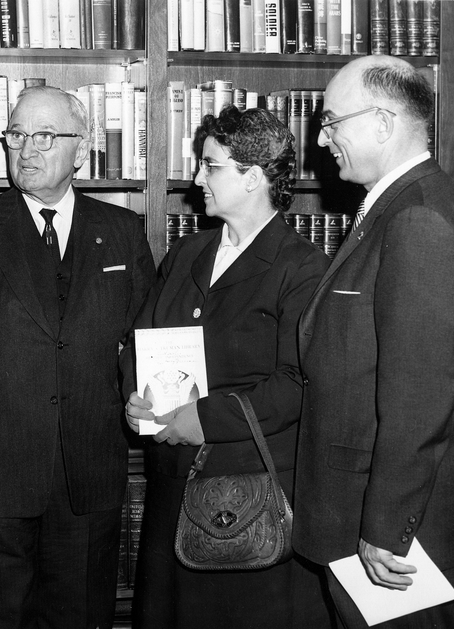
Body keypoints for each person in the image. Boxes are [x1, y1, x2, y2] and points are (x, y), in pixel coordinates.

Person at [0, 85, 156, 629]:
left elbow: (146, 339)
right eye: (16, 135)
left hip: (90, 474)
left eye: (43, 136)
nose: (26, 150)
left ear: (81, 149)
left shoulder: (122, 231)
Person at [293, 55, 454, 628]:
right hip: (362, 517)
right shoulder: (398, 205)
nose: (323, 141)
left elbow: (420, 395)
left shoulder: (418, 218)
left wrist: (386, 527)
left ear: (381, 123)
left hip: (396, 547)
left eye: (331, 122)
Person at [121, 105, 333, 628]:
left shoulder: (303, 269)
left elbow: (297, 385)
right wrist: (136, 401)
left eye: (211, 166)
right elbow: (139, 342)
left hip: (247, 500)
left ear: (254, 177)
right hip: (172, 490)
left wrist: (206, 419)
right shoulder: (185, 253)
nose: (196, 179)